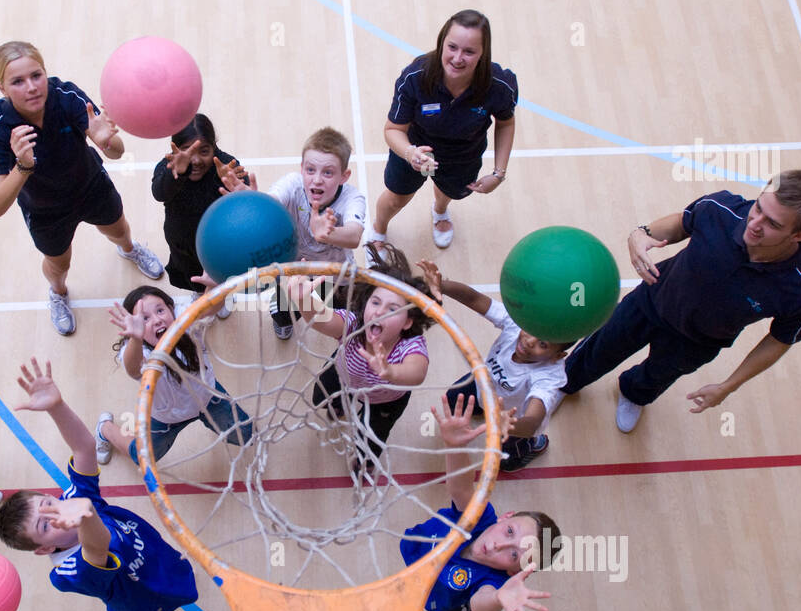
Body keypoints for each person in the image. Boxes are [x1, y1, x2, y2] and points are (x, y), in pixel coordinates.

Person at [561, 171, 801, 432]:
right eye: (758, 207)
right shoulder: (721, 208)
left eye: (772, 223)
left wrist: (729, 385)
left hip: (697, 343)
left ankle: (633, 394)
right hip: (651, 300)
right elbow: (682, 222)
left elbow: (780, 340)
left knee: (656, 376)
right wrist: (641, 234)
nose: (754, 223)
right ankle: (564, 384)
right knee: (600, 348)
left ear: (800, 235)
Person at [0, 359, 198, 611]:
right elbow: (98, 545)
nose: (55, 515)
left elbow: (84, 448)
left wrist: (56, 406)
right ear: (42, 550)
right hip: (140, 607)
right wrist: (84, 513)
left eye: (48, 504)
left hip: (158, 560)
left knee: (181, 579)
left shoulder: (73, 500)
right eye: (44, 526)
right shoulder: (67, 572)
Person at [0, 40, 164, 337]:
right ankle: (59, 292)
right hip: (45, 210)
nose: (32, 87)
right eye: (18, 81)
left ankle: (129, 250)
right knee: (59, 262)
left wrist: (107, 141)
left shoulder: (65, 96)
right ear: (2, 88)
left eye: (36, 76)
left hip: (90, 186)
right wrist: (23, 166)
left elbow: (116, 151)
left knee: (118, 229)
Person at [400, 395, 557, 611]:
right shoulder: (481, 519)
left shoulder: (493, 584)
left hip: (447, 602)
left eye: (513, 554)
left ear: (515, 571)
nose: (498, 545)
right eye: (509, 531)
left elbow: (480, 603)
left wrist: (498, 599)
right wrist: (454, 445)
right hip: (421, 553)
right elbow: (460, 487)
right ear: (505, 517)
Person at [366, 9, 517, 249]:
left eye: (469, 51)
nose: (458, 58)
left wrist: (499, 173)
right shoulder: (415, 77)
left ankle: (439, 211)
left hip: (463, 157)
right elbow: (393, 129)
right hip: (415, 150)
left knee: (448, 190)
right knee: (396, 198)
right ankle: (378, 230)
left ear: (482, 53)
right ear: (442, 43)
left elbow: (506, 122)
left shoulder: (499, 85)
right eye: (452, 47)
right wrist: (409, 152)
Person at [287, 243, 433, 472]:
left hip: (385, 400)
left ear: (407, 322)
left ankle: (365, 460)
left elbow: (417, 372)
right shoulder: (353, 325)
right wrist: (304, 300)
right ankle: (338, 407)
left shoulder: (409, 345)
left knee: (374, 435)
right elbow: (321, 319)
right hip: (343, 375)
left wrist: (392, 371)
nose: (378, 311)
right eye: (375, 302)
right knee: (320, 397)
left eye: (392, 309)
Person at [420, 260, 573, 472]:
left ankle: (532, 447)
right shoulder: (516, 323)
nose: (529, 341)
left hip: (511, 420)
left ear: (558, 355)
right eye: (531, 330)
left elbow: (532, 420)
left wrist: (511, 425)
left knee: (506, 459)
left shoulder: (548, 376)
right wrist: (441, 285)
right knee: (454, 397)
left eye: (543, 344)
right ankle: (485, 411)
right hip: (483, 385)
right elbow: (474, 298)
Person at [218, 126, 367, 339]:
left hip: (333, 277)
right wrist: (255, 203)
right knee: (283, 313)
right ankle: (284, 320)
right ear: (301, 168)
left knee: (343, 319)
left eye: (328, 172)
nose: (317, 180)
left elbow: (353, 236)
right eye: (310, 170)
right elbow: (272, 203)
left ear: (344, 176)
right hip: (294, 272)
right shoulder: (292, 185)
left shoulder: (353, 199)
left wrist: (327, 233)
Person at [93, 284, 252, 467]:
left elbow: (208, 308)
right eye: (144, 319)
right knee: (142, 458)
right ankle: (105, 428)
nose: (157, 320)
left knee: (246, 435)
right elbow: (133, 369)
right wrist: (136, 338)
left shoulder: (185, 320)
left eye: (160, 311)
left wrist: (215, 288)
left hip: (208, 398)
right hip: (166, 417)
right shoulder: (138, 349)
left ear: (171, 309)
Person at [150, 113, 241, 318]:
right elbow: (159, 193)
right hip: (184, 241)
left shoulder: (227, 166)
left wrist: (233, 186)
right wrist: (178, 173)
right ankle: (200, 292)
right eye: (188, 151)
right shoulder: (169, 167)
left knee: (221, 272)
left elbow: (244, 205)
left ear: (214, 147)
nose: (197, 160)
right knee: (193, 275)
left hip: (220, 241)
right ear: (175, 148)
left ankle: (221, 295)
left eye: (204, 151)